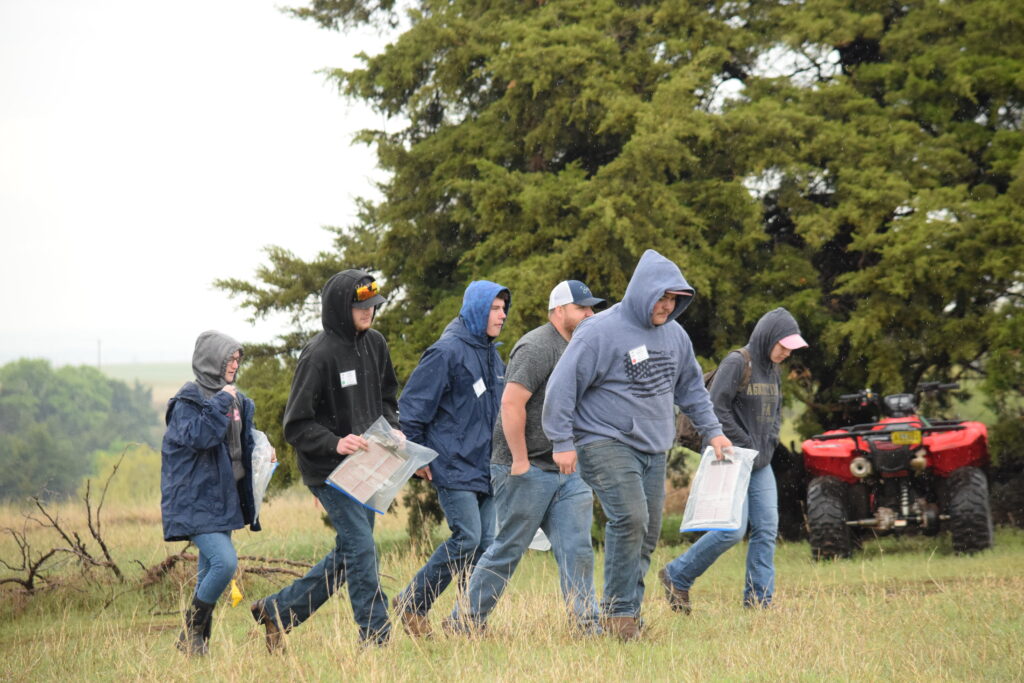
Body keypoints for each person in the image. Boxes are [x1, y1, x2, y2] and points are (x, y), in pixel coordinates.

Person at [542, 249, 731, 641]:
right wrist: (561, 440)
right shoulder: (599, 331)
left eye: (674, 299)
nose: (667, 305)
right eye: (661, 296)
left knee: (646, 532)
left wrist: (713, 431)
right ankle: (619, 615)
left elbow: (692, 389)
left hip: (654, 447)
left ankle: (628, 612)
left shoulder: (676, 336)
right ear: (643, 290)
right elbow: (562, 387)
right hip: (604, 440)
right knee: (630, 518)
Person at [249, 270, 400, 649]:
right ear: (340, 307)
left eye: (373, 306)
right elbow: (296, 425)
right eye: (361, 306)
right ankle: (376, 637)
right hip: (329, 471)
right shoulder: (317, 355)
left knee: (350, 553)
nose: (369, 312)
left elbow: (387, 398)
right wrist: (335, 443)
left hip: (368, 467)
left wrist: (393, 428)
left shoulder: (376, 344)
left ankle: (278, 612)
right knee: (362, 548)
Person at [449, 280, 605, 635]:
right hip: (524, 466)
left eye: (591, 308)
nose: (589, 314)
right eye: (582, 308)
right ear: (559, 311)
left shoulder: (585, 347)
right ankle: (465, 623)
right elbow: (511, 403)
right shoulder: (536, 346)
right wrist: (520, 460)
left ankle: (587, 625)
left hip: (567, 467)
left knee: (578, 549)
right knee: (507, 549)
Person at [660, 307, 808, 612]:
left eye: (791, 349)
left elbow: (776, 413)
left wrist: (767, 445)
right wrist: (745, 444)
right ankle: (677, 575)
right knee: (731, 531)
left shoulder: (773, 369)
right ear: (768, 338)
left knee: (766, 529)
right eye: (784, 346)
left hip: (760, 463)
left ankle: (758, 603)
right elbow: (715, 409)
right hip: (729, 457)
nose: (787, 353)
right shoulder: (737, 362)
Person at [393, 280, 511, 637]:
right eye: (495, 308)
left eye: (505, 308)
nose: (502, 315)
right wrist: (418, 458)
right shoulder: (445, 352)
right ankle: (411, 603)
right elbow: (411, 411)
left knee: (488, 545)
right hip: (452, 464)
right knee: (468, 538)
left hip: (486, 466)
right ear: (477, 309)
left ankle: (468, 620)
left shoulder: (492, 354)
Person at [161, 330, 268, 656]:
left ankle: (197, 647)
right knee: (224, 563)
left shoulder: (234, 398)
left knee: (207, 571)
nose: (235, 364)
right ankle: (188, 634)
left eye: (237, 358)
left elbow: (239, 439)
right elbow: (200, 437)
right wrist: (223, 398)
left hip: (225, 498)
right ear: (212, 361)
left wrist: (264, 448)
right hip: (196, 499)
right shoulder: (189, 401)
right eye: (229, 358)